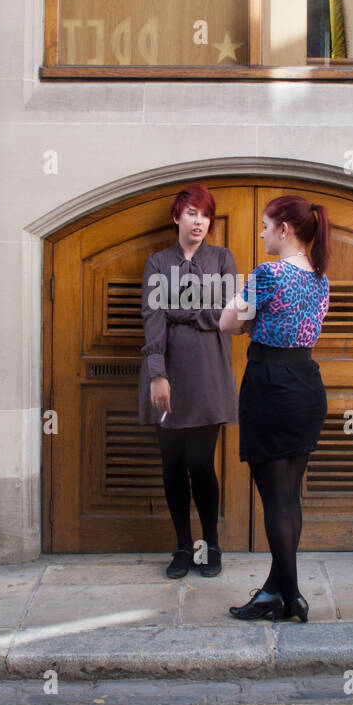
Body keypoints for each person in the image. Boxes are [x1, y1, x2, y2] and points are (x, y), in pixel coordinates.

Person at [220, 196, 331, 622]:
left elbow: (227, 322)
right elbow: (295, 325)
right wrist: (256, 319)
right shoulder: (322, 279)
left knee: (276, 499)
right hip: (305, 384)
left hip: (270, 385)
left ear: (284, 229)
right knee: (289, 496)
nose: (262, 233)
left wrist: (244, 309)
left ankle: (292, 593)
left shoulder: (268, 274)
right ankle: (275, 592)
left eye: (266, 226)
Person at [139, 185, 240, 579]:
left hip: (210, 374)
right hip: (169, 375)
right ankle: (182, 547)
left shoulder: (223, 259)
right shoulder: (157, 262)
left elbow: (226, 314)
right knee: (172, 465)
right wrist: (157, 375)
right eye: (191, 213)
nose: (199, 222)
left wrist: (180, 312)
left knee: (201, 463)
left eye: (204, 215)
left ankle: (210, 545)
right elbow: (152, 317)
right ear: (176, 217)